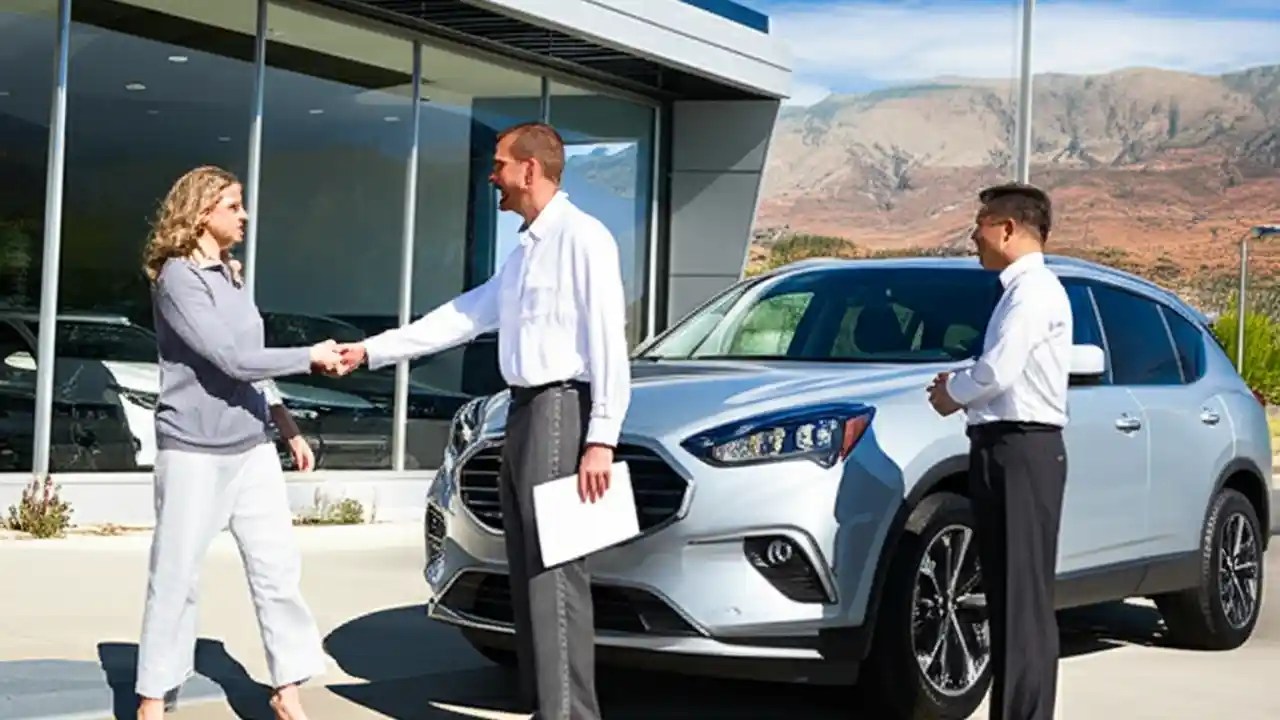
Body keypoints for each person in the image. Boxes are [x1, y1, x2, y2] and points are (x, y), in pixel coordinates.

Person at [333, 122, 630, 719]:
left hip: (559, 411)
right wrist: (369, 351)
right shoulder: (525, 253)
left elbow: (609, 343)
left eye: (499, 165)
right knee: (527, 572)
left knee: (554, 573)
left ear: (530, 169)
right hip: (521, 412)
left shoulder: (583, 238)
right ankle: (545, 707)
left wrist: (601, 438)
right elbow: (460, 317)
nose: (491, 176)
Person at [135, 165, 340, 720]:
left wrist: (285, 423)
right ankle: (153, 697)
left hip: (251, 445)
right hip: (193, 449)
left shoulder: (230, 275)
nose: (244, 215)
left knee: (277, 570)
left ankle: (288, 689)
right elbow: (229, 358)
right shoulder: (178, 279)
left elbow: (253, 363)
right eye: (233, 205)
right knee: (175, 576)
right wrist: (311, 356)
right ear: (201, 212)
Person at [926, 182, 1072, 720]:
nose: (973, 236)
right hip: (1004, 447)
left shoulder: (1033, 292)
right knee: (1009, 597)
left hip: (1022, 448)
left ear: (1008, 229)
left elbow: (999, 369)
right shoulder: (1017, 291)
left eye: (981, 224)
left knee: (1021, 600)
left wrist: (953, 392)